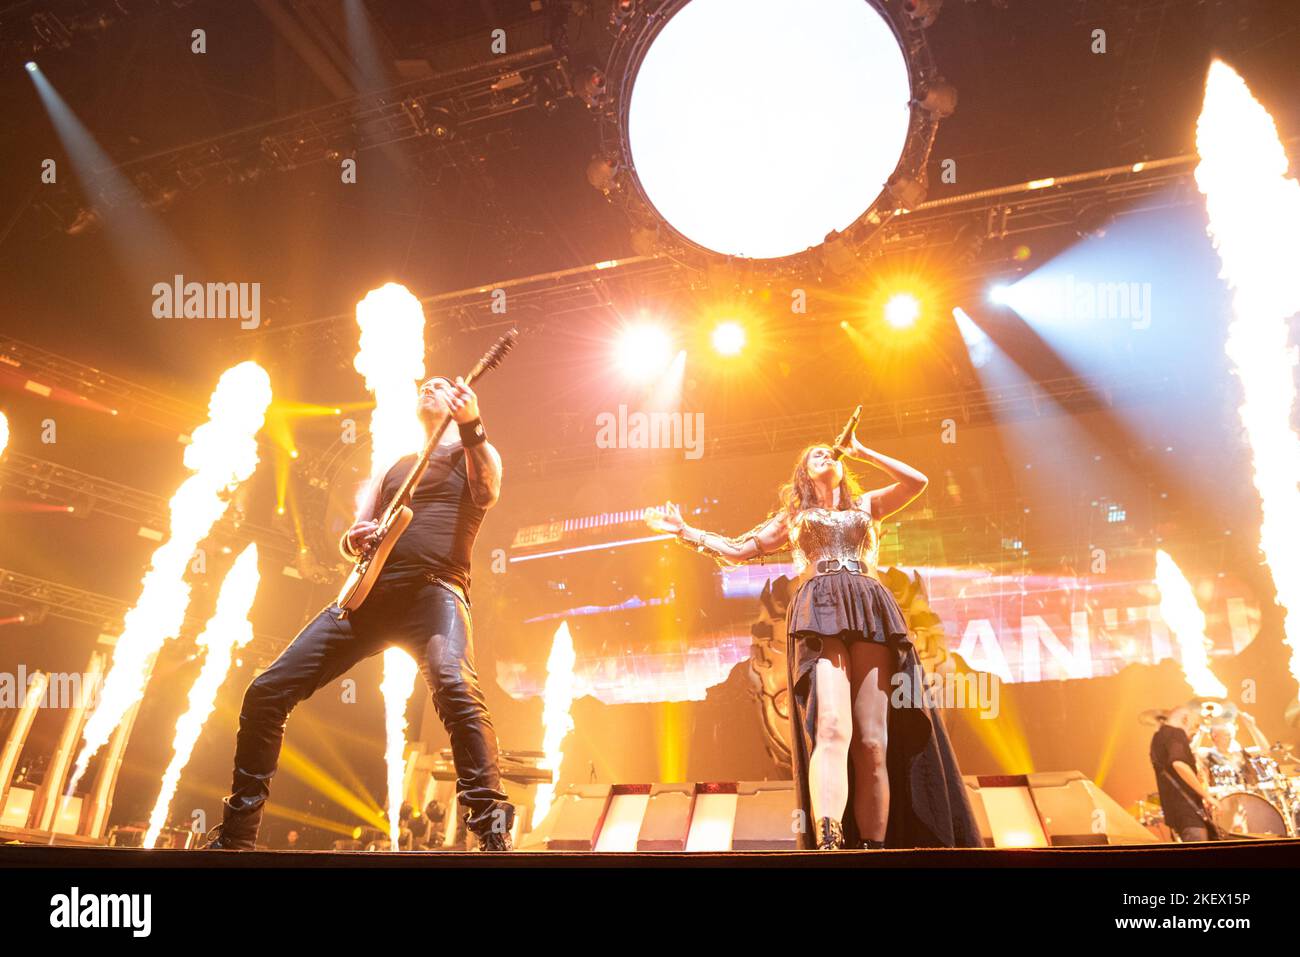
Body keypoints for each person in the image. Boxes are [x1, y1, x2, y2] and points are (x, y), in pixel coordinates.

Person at [203, 374, 516, 851]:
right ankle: (237, 833)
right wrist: (353, 541)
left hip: (435, 592)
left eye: (439, 384)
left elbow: (489, 491)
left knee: (453, 682)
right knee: (266, 692)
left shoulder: (473, 453)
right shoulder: (395, 469)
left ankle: (491, 828)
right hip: (369, 597)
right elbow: (358, 535)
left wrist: (472, 424)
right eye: (424, 384)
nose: (429, 387)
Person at [645, 432, 981, 850]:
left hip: (868, 602)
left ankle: (874, 848)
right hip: (819, 606)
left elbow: (917, 482)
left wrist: (864, 450)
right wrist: (685, 531)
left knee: (873, 741)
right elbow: (736, 550)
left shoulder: (865, 505)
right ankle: (829, 838)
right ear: (804, 474)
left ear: (843, 465)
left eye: (829, 451)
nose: (824, 455)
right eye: (814, 455)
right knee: (832, 725)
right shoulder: (795, 516)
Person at [1150, 706, 1219, 842]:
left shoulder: (1158, 738)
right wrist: (1207, 796)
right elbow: (1179, 764)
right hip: (1188, 814)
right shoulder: (1176, 733)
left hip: (1176, 814)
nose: (1195, 731)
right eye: (1194, 725)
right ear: (1185, 719)